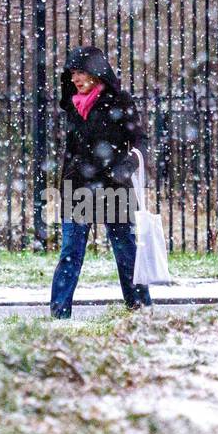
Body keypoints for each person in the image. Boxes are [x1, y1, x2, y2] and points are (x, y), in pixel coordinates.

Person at [49, 46, 153, 319]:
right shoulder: (73, 105)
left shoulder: (120, 102)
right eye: (72, 74)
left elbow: (140, 140)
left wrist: (128, 164)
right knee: (71, 251)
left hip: (113, 186)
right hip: (78, 188)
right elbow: (71, 150)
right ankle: (59, 315)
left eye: (80, 72)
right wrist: (66, 181)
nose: (75, 79)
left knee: (125, 251)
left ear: (96, 73)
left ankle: (140, 309)